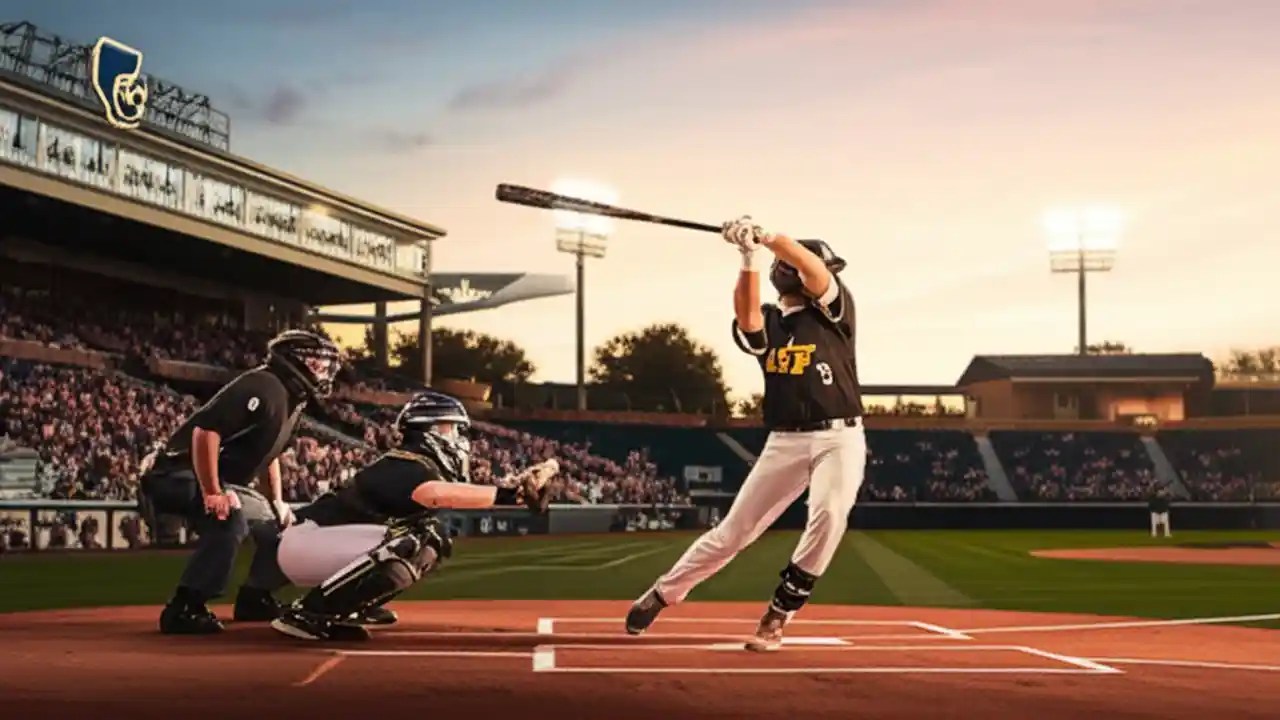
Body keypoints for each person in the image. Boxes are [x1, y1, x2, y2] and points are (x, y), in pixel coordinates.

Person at [625, 217, 867, 652]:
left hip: (840, 437)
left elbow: (814, 270)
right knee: (734, 532)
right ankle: (662, 593)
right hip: (785, 439)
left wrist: (771, 237)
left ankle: (780, 611)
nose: (825, 274)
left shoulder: (834, 312)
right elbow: (748, 316)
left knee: (830, 513)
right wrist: (748, 256)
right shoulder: (773, 321)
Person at [269, 390, 557, 641]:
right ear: (430, 430)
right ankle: (310, 613)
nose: (459, 439)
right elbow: (435, 494)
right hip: (304, 542)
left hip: (317, 543)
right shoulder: (405, 463)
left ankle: (351, 605)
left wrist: (516, 489)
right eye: (451, 429)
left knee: (433, 536)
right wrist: (508, 495)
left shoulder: (414, 462)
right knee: (415, 540)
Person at [138, 329, 341, 634]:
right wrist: (213, 492)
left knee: (283, 528)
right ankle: (185, 607)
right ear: (292, 362)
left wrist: (277, 504)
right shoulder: (263, 384)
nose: (324, 371)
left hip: (215, 478)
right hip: (174, 472)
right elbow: (205, 432)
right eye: (316, 362)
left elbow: (269, 456)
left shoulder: (293, 400)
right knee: (228, 518)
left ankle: (255, 597)